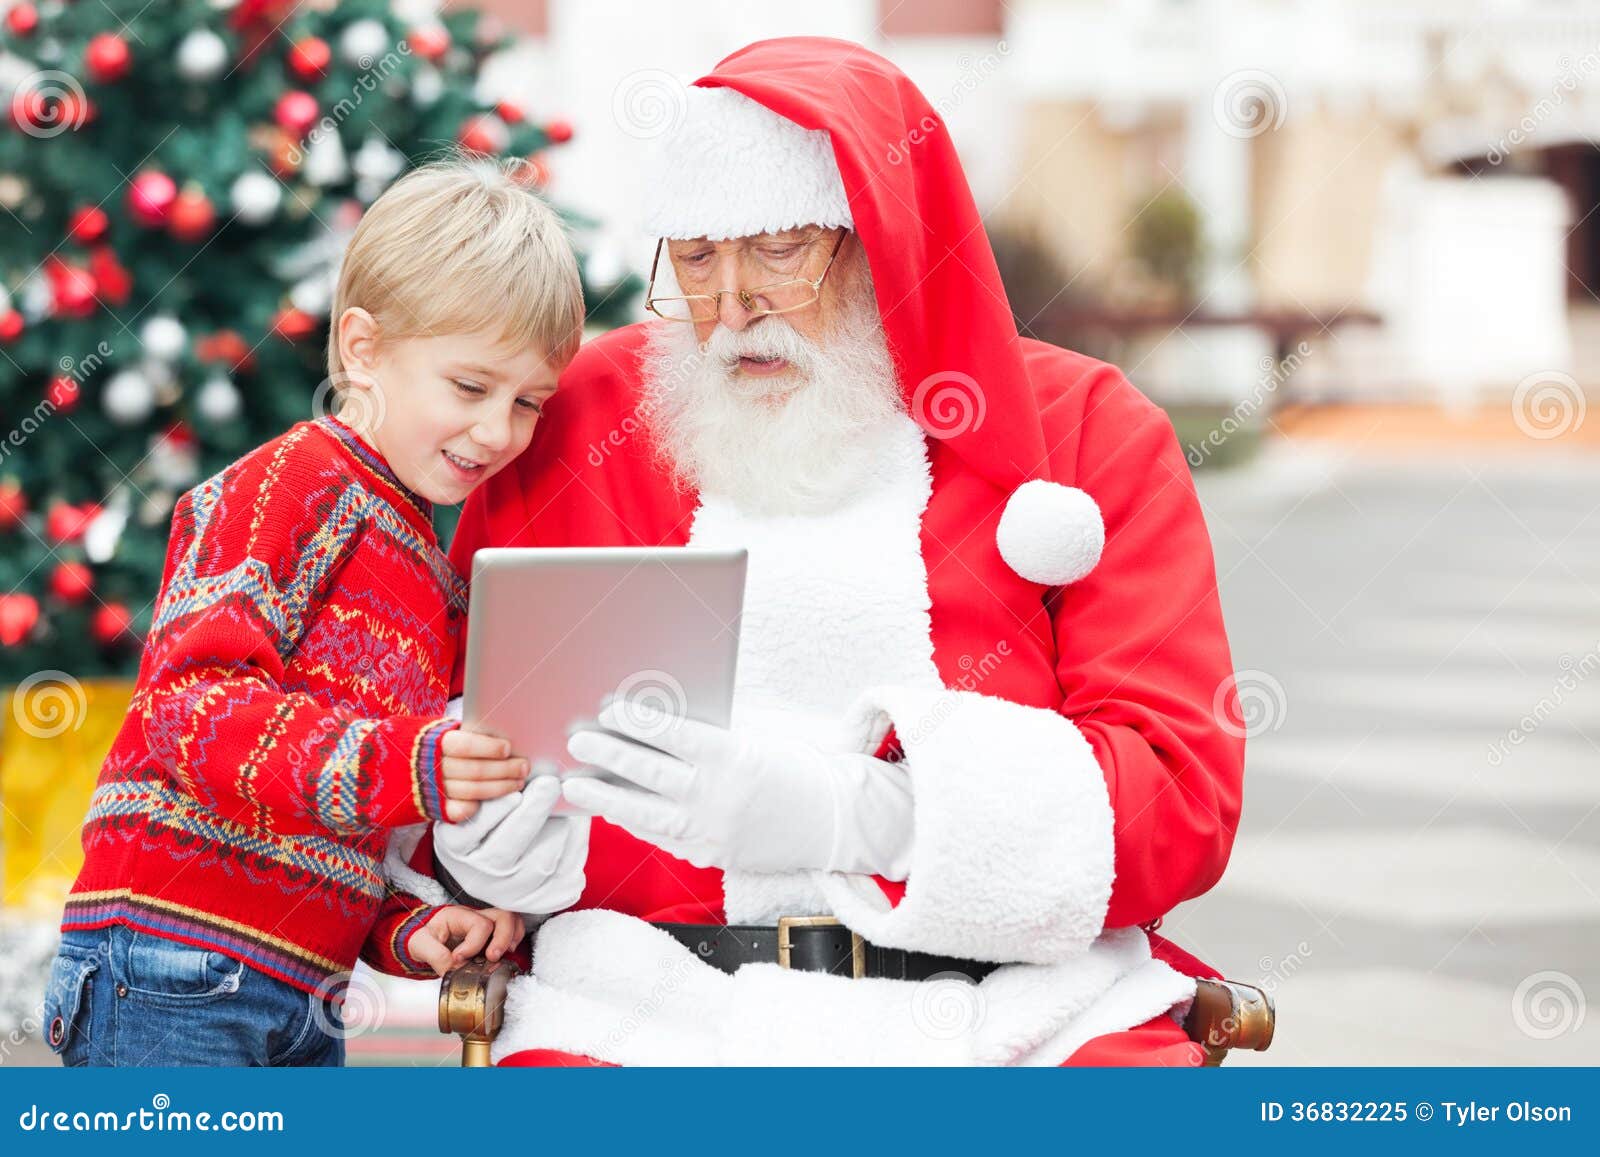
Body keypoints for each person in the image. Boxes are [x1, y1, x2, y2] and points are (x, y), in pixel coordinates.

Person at [424, 38, 1246, 1066]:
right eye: (695, 257)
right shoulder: (590, 416)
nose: (729, 309)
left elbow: (1179, 798)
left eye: (778, 251)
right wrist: (487, 842)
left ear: (887, 243)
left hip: (1023, 1009)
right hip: (653, 1006)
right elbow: (457, 720)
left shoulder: (1084, 428)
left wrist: (856, 815)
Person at [44, 158, 586, 1067]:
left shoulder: (431, 575)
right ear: (364, 348)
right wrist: (407, 762)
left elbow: (330, 814)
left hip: (303, 992)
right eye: (469, 387)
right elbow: (193, 708)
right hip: (172, 961)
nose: (499, 431)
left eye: (528, 402)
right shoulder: (292, 486)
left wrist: (404, 925)